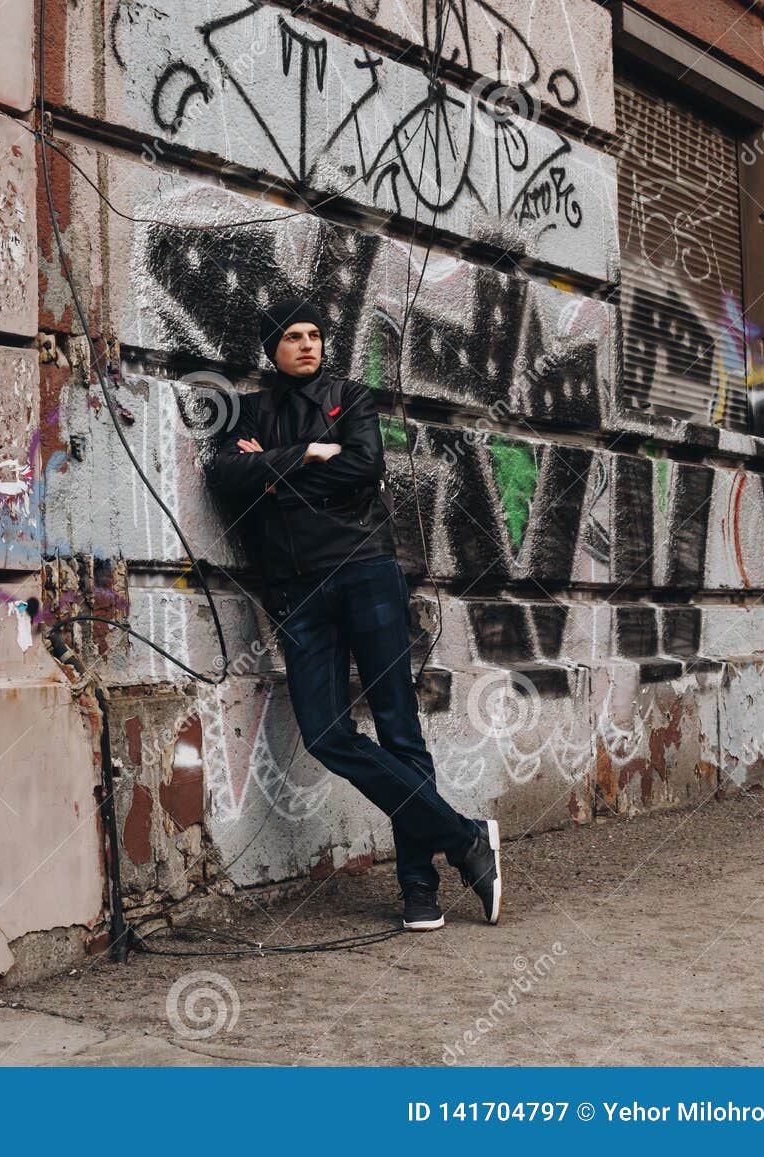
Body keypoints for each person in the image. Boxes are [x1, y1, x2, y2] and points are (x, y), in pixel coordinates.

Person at [203, 296, 502, 931]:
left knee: (398, 726)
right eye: (293, 337)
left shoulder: (351, 397)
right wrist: (309, 456)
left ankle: (418, 886)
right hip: (298, 590)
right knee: (325, 732)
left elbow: (365, 466)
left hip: (366, 573)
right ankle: (464, 835)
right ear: (272, 348)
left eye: (314, 334)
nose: (308, 345)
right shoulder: (250, 410)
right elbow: (224, 476)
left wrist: (273, 475)